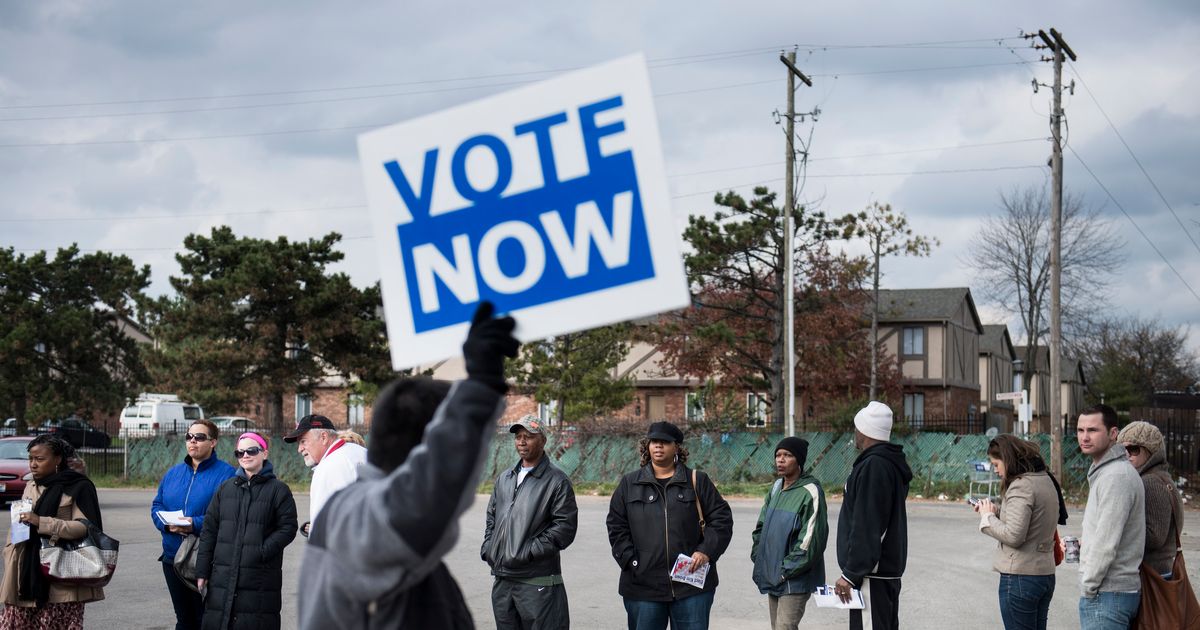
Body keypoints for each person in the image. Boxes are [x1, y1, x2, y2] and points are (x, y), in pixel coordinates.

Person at [297, 301, 520, 629]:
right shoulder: (361, 518)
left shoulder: (357, 510)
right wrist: (480, 388)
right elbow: (427, 495)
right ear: (423, 449)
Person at [606, 421, 735, 630]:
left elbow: (722, 520)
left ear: (677, 447)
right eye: (654, 441)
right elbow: (616, 526)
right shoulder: (629, 484)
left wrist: (706, 552)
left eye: (665, 442)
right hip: (643, 586)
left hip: (691, 586)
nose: (658, 446)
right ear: (647, 446)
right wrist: (631, 561)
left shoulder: (697, 481)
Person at [482, 416, 579, 630]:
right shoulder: (505, 478)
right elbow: (492, 517)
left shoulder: (557, 481)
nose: (522, 442)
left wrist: (527, 552)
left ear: (543, 440)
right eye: (518, 437)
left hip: (538, 582)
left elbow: (564, 529)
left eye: (529, 437)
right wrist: (489, 548)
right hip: (503, 580)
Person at [196, 432, 298, 630]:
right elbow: (209, 530)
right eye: (240, 452)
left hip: (259, 577)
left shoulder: (279, 490)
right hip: (222, 576)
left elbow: (288, 527)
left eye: (251, 450)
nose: (245, 456)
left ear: (264, 453)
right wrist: (202, 571)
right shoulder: (225, 489)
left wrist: (261, 551)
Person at [1, 434, 105, 629]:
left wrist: (41, 522)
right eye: (30, 459)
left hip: (61, 574)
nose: (33, 464)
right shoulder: (31, 485)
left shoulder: (78, 486)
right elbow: (19, 528)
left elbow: (85, 527)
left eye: (40, 459)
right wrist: (10, 552)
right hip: (26, 573)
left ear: (58, 459)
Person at [973, 434, 1066, 630]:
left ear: (1007, 459)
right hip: (1044, 574)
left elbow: (1014, 536)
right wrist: (996, 511)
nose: (996, 470)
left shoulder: (1021, 485)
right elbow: (1033, 521)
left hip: (1020, 576)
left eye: (996, 464)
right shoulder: (1045, 479)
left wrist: (987, 518)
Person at [150, 419, 236, 630]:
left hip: (205, 559)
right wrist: (167, 525)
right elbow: (157, 505)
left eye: (199, 437)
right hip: (172, 558)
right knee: (183, 619)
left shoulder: (227, 475)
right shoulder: (173, 473)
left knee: (204, 620)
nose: (193, 441)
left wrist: (194, 524)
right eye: (189, 437)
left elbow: (228, 515)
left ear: (213, 442)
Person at [833, 401, 912, 630]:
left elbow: (868, 524)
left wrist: (850, 574)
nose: (855, 433)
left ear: (864, 430)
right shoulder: (889, 464)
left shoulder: (874, 466)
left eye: (857, 427)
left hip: (871, 577)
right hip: (880, 575)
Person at [1076, 404, 1145, 629]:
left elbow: (1107, 543)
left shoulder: (1115, 476)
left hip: (1108, 594)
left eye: (1093, 430)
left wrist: (1088, 586)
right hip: (1110, 593)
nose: (1085, 437)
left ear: (1113, 433)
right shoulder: (1108, 472)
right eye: (1080, 430)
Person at [751, 437, 828, 630]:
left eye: (788, 455)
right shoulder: (776, 488)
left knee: (785, 626)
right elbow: (761, 526)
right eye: (778, 455)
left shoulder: (810, 491)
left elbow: (811, 541)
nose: (780, 460)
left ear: (799, 460)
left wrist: (784, 571)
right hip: (773, 573)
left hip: (794, 578)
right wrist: (759, 557)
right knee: (777, 627)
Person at [1117, 420, 1183, 579]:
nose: (1127, 454)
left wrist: (1114, 529)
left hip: (1151, 573)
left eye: (1133, 449)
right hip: (1155, 570)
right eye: (1121, 449)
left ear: (1151, 452)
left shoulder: (1150, 482)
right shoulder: (1158, 477)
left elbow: (1154, 538)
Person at [285, 413, 367, 537]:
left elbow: (321, 529)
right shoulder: (361, 452)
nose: (299, 449)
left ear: (323, 437)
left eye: (303, 441)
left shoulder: (327, 467)